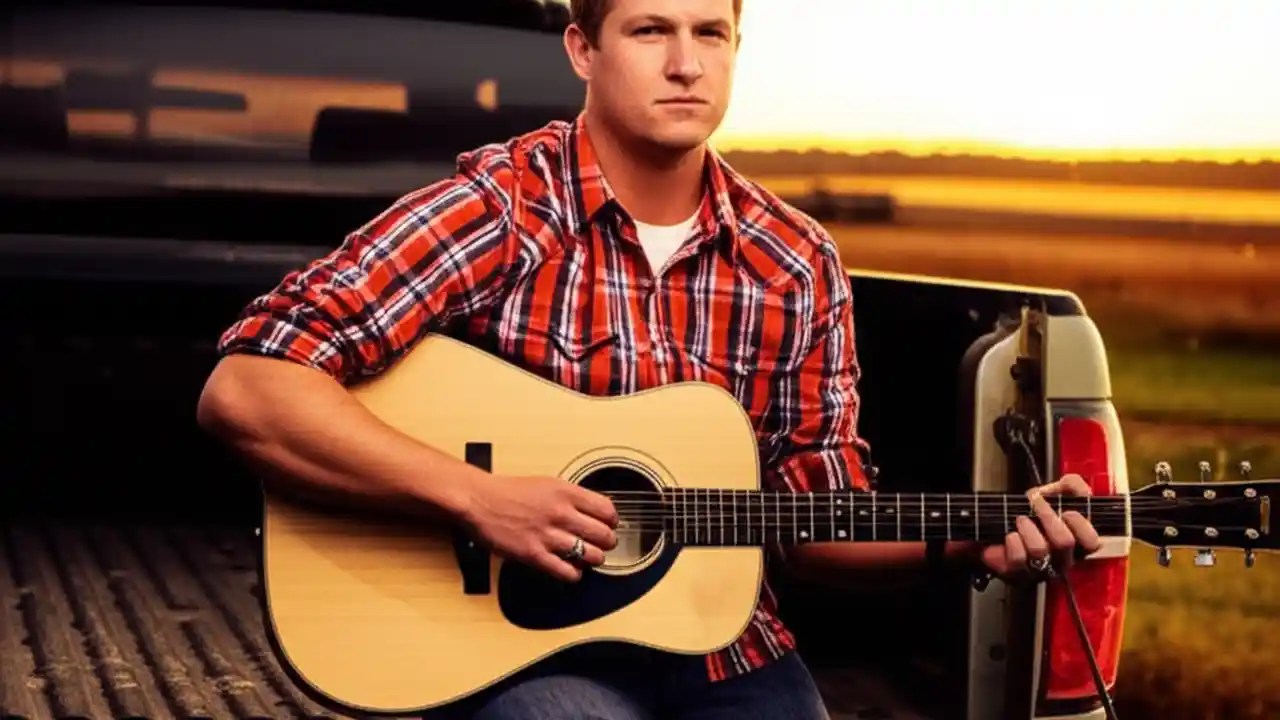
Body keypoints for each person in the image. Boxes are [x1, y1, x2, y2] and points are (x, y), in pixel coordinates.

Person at [196, 0, 1104, 717]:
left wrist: (976, 538)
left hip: (724, 648)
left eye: (712, 32)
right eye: (651, 30)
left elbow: (816, 523)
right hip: (513, 645)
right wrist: (477, 498)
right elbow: (248, 389)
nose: (686, 62)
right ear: (583, 50)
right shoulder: (504, 208)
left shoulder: (793, 260)